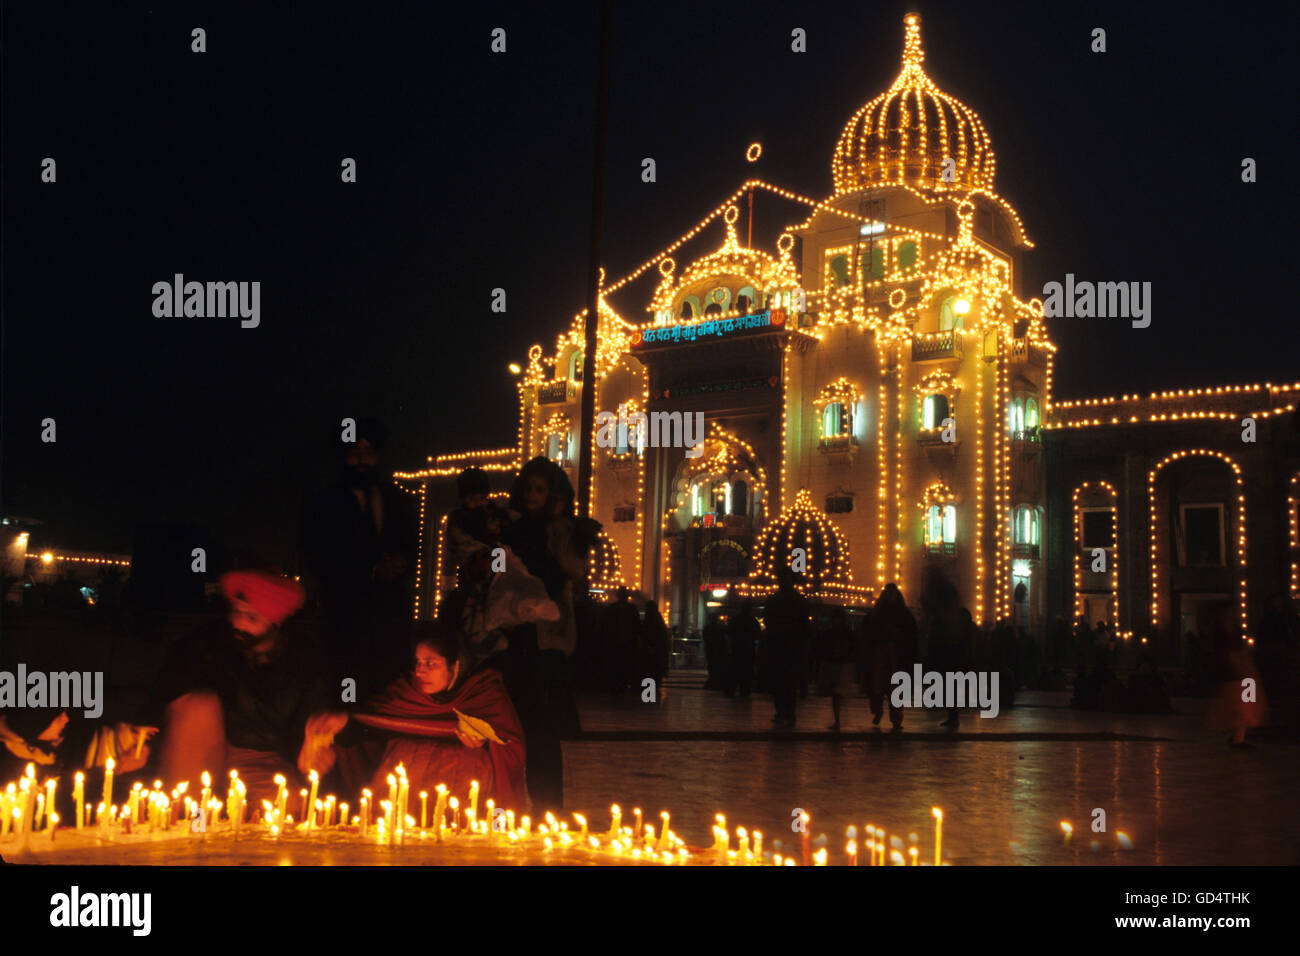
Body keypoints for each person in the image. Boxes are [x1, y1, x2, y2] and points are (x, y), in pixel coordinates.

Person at [153, 569, 332, 802]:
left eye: (252, 618)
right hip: (197, 751)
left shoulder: (304, 659)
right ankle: (195, 828)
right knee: (194, 815)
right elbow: (167, 693)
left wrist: (318, 745)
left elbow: (316, 718)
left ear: (276, 622)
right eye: (237, 612)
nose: (238, 623)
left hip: (259, 760)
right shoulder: (203, 645)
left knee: (275, 819)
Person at [325, 620, 527, 814]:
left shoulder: (484, 693)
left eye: (431, 663)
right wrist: (340, 724)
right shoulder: (407, 690)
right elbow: (370, 719)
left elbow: (510, 744)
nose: (420, 670)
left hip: (464, 793)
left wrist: (485, 743)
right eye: (418, 662)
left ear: (455, 666)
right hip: (403, 794)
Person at [300, 418, 418, 698]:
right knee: (346, 687)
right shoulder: (325, 503)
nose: (362, 460)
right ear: (344, 457)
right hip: (346, 616)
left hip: (389, 618)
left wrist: (401, 563)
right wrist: (369, 571)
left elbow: (413, 544)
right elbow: (317, 554)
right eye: (355, 453)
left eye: (368, 452)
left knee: (388, 687)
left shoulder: (396, 499)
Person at [498, 457, 586, 811]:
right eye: (529, 489)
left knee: (543, 727)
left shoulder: (560, 531)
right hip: (513, 635)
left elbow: (572, 571)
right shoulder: (510, 529)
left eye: (540, 490)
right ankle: (511, 801)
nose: (533, 496)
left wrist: (559, 533)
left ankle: (549, 807)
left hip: (547, 637)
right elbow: (496, 568)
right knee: (514, 720)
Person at [861, 583, 917, 731]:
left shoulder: (884, 614)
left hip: (894, 656)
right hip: (883, 654)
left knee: (891, 689)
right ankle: (881, 713)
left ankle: (895, 718)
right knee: (879, 687)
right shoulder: (884, 614)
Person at [763, 568, 811, 727]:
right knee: (787, 683)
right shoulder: (798, 600)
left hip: (782, 646)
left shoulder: (775, 600)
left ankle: (784, 711)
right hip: (790, 647)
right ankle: (787, 712)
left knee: (783, 683)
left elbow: (769, 623)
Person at [818, 607, 857, 729]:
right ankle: (837, 719)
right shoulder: (844, 634)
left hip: (842, 664)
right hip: (836, 663)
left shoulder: (831, 634)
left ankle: (837, 719)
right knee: (837, 693)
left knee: (837, 692)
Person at [600, 587, 643, 692]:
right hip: (620, 642)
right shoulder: (628, 609)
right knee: (620, 665)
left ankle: (620, 685)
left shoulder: (614, 608)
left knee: (621, 665)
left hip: (622, 642)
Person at [725, 600, 760, 698]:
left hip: (737, 647)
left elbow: (729, 631)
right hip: (748, 649)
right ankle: (744, 690)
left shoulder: (736, 619)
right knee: (747, 671)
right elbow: (757, 634)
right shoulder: (752, 621)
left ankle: (732, 689)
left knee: (735, 670)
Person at [641, 599, 672, 698]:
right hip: (658, 650)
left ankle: (649, 693)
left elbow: (647, 634)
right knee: (655, 672)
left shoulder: (649, 619)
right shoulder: (658, 619)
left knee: (649, 671)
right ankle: (652, 692)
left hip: (651, 650)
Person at [702, 612, 728, 692]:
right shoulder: (720, 628)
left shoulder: (707, 628)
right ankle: (716, 683)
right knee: (717, 667)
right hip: (719, 650)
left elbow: (705, 638)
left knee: (712, 667)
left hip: (711, 650)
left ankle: (713, 682)